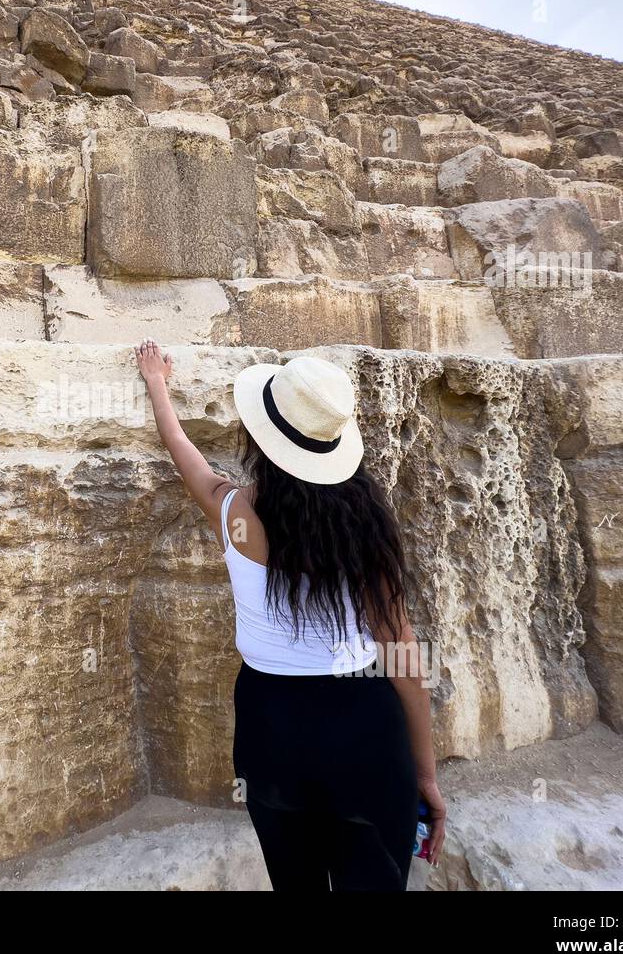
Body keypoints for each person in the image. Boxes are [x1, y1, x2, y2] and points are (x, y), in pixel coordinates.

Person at [134, 338, 446, 891]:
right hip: (363, 727)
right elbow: (402, 659)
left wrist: (158, 382)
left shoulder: (234, 512)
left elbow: (183, 450)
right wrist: (425, 771)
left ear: (260, 437)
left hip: (271, 727)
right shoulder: (367, 527)